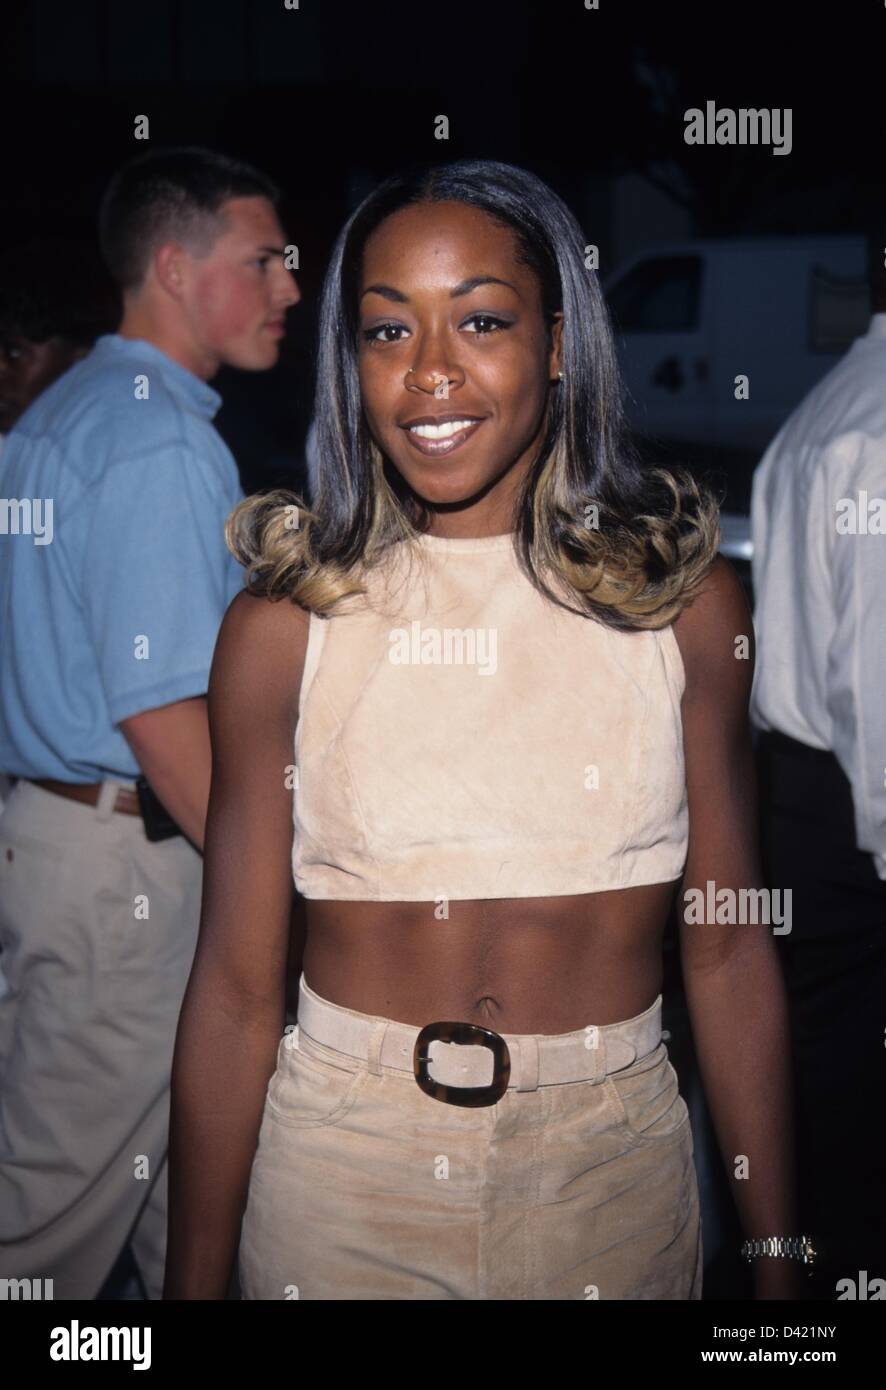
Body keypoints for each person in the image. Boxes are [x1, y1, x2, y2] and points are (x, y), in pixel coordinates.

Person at [165, 159, 806, 1302]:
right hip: (342, 1176)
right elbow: (233, 985)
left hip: (613, 1175)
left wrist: (775, 1260)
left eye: (482, 320)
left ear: (559, 344)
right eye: (384, 331)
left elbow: (724, 944)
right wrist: (189, 1288)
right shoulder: (283, 626)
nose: (430, 374)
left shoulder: (686, 607)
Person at [0, 145, 300, 1299]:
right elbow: (166, 715)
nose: (288, 286)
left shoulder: (71, 406)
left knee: (191, 1206)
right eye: (261, 260)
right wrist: (275, 901)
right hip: (126, 868)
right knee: (45, 1233)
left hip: (67, 844)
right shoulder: (158, 439)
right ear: (174, 268)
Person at [750, 218, 886, 1296]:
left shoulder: (831, 404)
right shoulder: (879, 428)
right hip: (854, 821)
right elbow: (875, 691)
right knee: (848, 1118)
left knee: (826, 1099)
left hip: (810, 805)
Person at [0, 237, 118, 816]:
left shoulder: (96, 460)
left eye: (17, 353)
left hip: (55, 797)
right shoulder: (23, 455)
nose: (1, 372)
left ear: (79, 358)